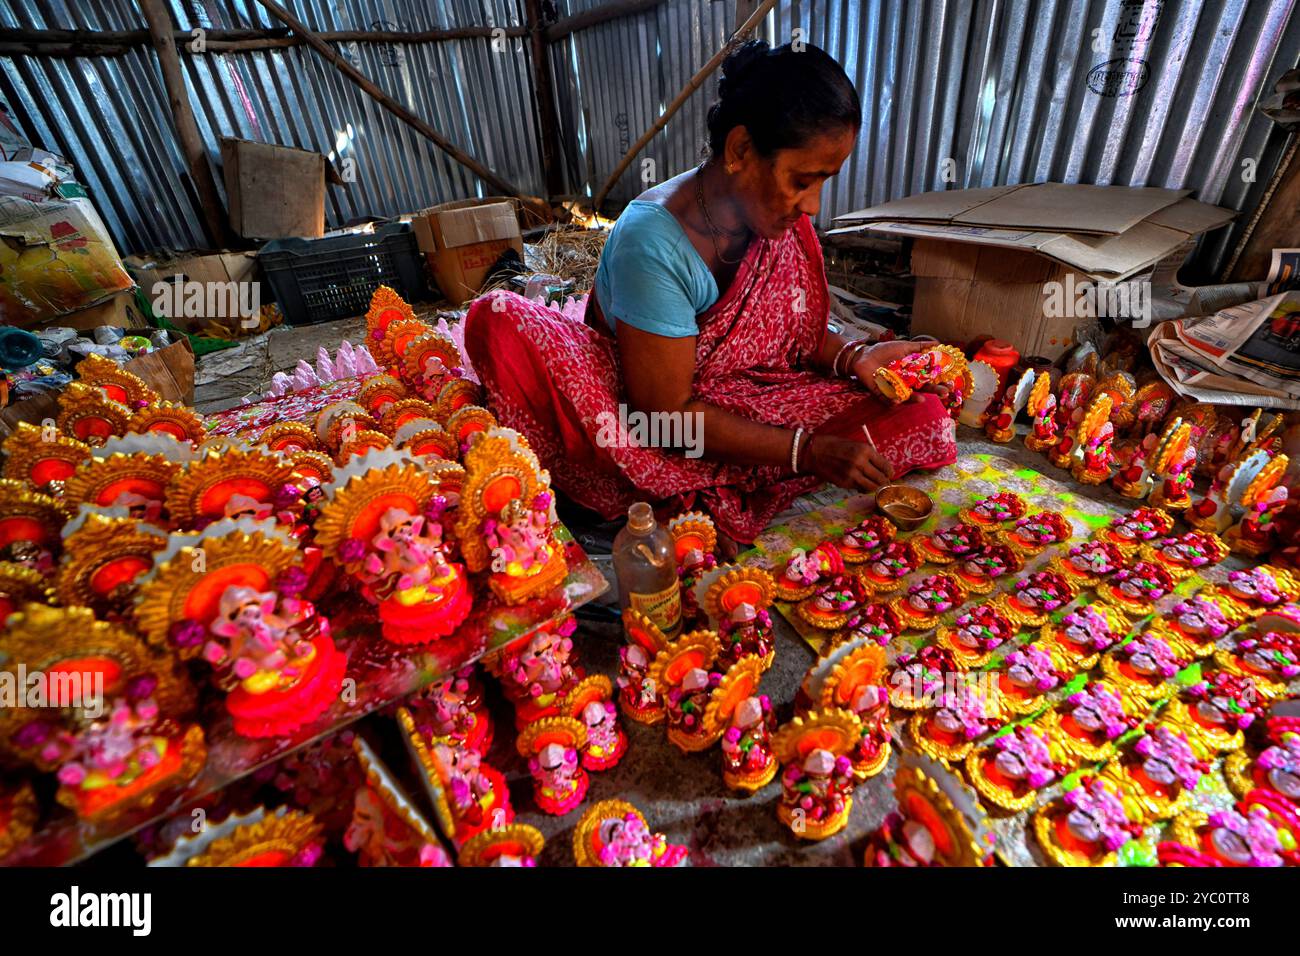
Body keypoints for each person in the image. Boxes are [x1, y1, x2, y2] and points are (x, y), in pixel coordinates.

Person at [465, 40, 956, 546]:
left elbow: (793, 336)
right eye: (803, 180)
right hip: (654, 418)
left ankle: (735, 477)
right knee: (512, 329)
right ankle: (713, 482)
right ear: (740, 149)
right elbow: (663, 417)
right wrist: (805, 452)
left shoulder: (773, 220)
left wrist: (857, 357)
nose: (812, 205)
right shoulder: (653, 241)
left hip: (752, 392)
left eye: (824, 181)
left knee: (923, 416)